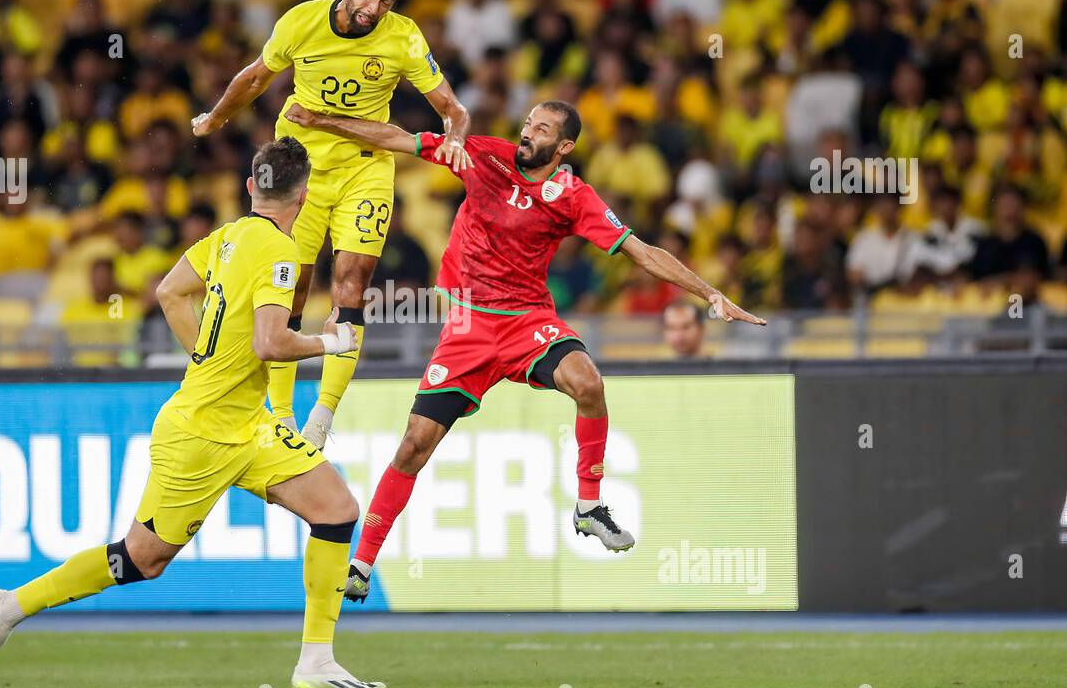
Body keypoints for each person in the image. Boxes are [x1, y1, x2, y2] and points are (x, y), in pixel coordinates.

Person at [284, 100, 765, 600]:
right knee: (414, 443)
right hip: (468, 326)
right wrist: (321, 121)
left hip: (528, 321)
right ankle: (362, 562)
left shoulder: (572, 196)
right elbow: (397, 138)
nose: (527, 132)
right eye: (529, 122)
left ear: (564, 147)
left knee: (588, 382)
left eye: (542, 129)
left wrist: (709, 292)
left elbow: (642, 252)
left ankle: (588, 505)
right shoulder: (481, 156)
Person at [0, 138, 385, 688]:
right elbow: (271, 343)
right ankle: (9, 605)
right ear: (305, 195)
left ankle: (316, 660)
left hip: (248, 426)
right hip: (202, 435)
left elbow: (169, 293)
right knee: (141, 559)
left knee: (337, 510)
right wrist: (328, 341)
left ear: (250, 188)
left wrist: (204, 358)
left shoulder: (227, 237)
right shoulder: (280, 254)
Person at [189, 0, 470, 450]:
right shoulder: (302, 22)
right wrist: (215, 117)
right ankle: (281, 414)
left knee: (351, 285)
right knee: (289, 288)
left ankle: (324, 412)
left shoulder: (403, 38)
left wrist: (454, 134)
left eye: (387, 2)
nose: (374, 9)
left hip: (365, 167)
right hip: (300, 171)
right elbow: (254, 78)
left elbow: (452, 109)